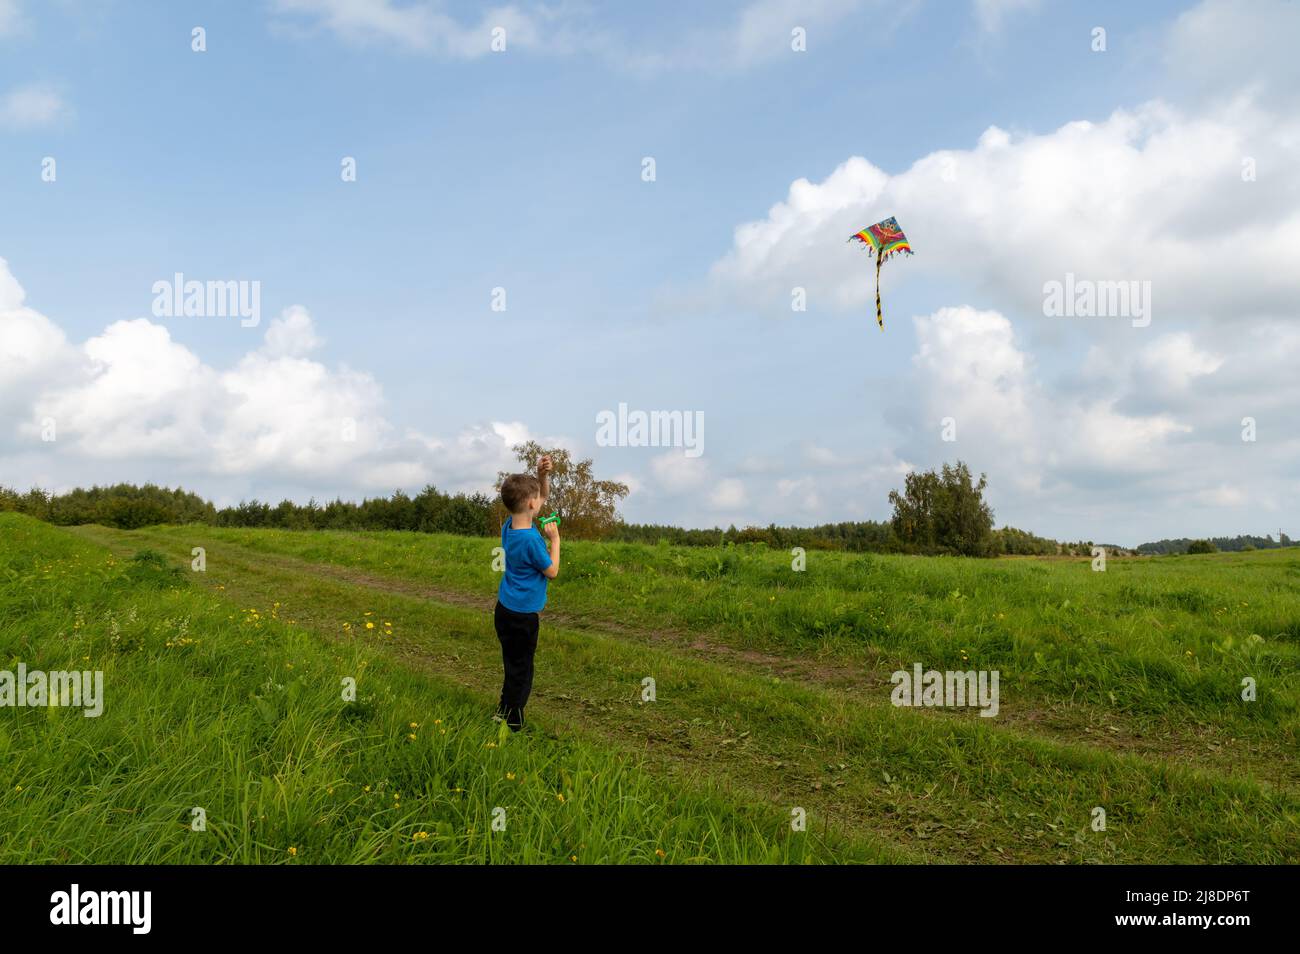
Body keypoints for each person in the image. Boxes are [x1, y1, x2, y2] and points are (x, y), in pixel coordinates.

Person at [493, 455, 559, 731]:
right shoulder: (533, 540)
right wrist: (555, 540)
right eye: (536, 498)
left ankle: (502, 710)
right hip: (523, 617)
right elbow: (552, 571)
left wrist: (540, 475)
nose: (540, 500)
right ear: (531, 504)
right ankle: (513, 723)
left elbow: (541, 494)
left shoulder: (509, 527)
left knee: (512, 664)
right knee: (523, 670)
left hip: (504, 610)